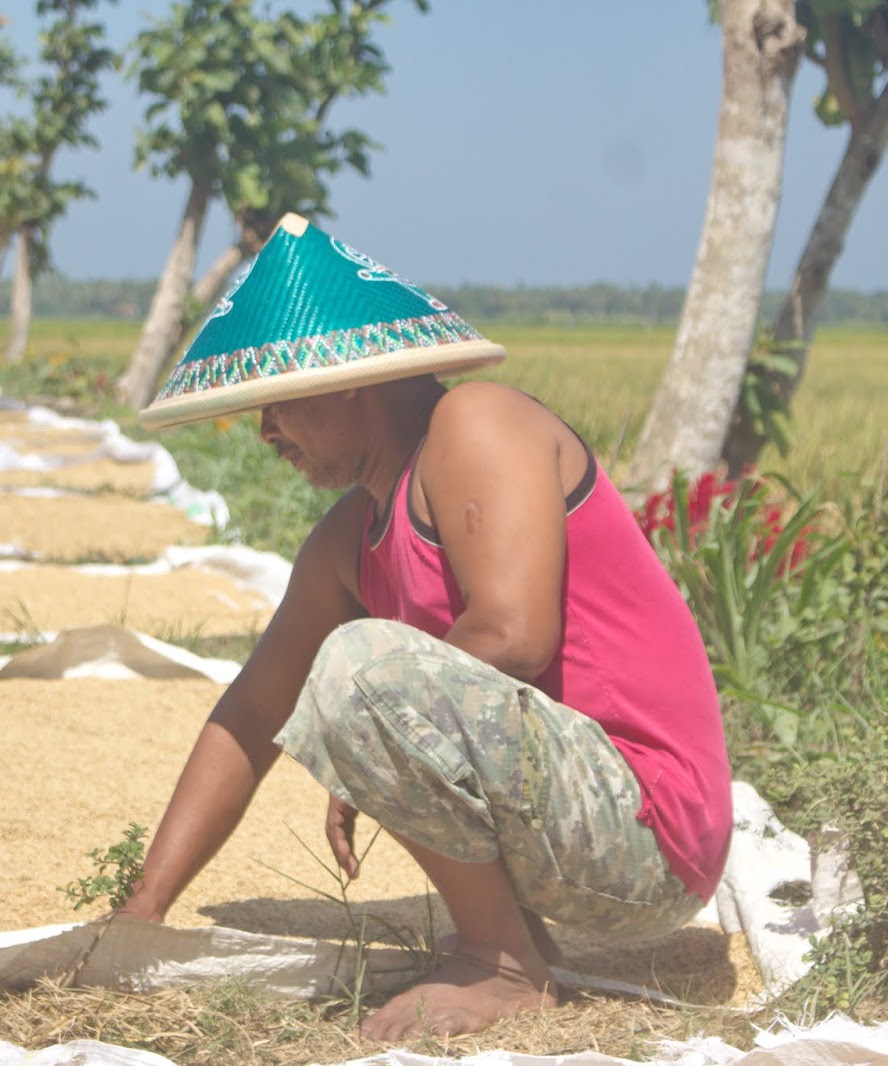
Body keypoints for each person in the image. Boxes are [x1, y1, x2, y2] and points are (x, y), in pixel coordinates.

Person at [122, 213, 732, 1040]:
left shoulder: (477, 422)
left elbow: (516, 634)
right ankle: (514, 939)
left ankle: (503, 966)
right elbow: (253, 713)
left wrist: (374, 720)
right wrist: (144, 909)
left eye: (273, 404)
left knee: (360, 667)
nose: (266, 433)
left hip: (649, 834)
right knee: (356, 672)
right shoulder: (348, 540)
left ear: (343, 378)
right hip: (578, 840)